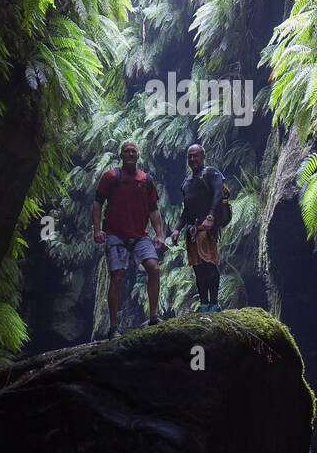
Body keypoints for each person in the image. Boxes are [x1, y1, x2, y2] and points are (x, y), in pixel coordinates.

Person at [92, 141, 167, 338]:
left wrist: (159, 234)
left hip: (140, 235)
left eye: (133, 151)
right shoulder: (111, 177)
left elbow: (153, 210)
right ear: (121, 155)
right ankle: (114, 327)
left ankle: (153, 316)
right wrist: (97, 230)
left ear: (138, 155)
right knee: (117, 276)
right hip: (115, 234)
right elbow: (97, 203)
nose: (130, 154)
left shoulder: (146, 180)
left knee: (154, 267)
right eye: (127, 151)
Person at [170, 144, 224, 312]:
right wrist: (177, 229)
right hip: (193, 231)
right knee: (198, 268)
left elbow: (218, 194)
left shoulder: (211, 173)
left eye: (196, 156)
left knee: (209, 264)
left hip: (207, 228)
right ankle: (203, 304)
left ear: (203, 155)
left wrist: (211, 217)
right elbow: (187, 209)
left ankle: (214, 304)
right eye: (190, 157)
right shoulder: (187, 183)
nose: (193, 159)